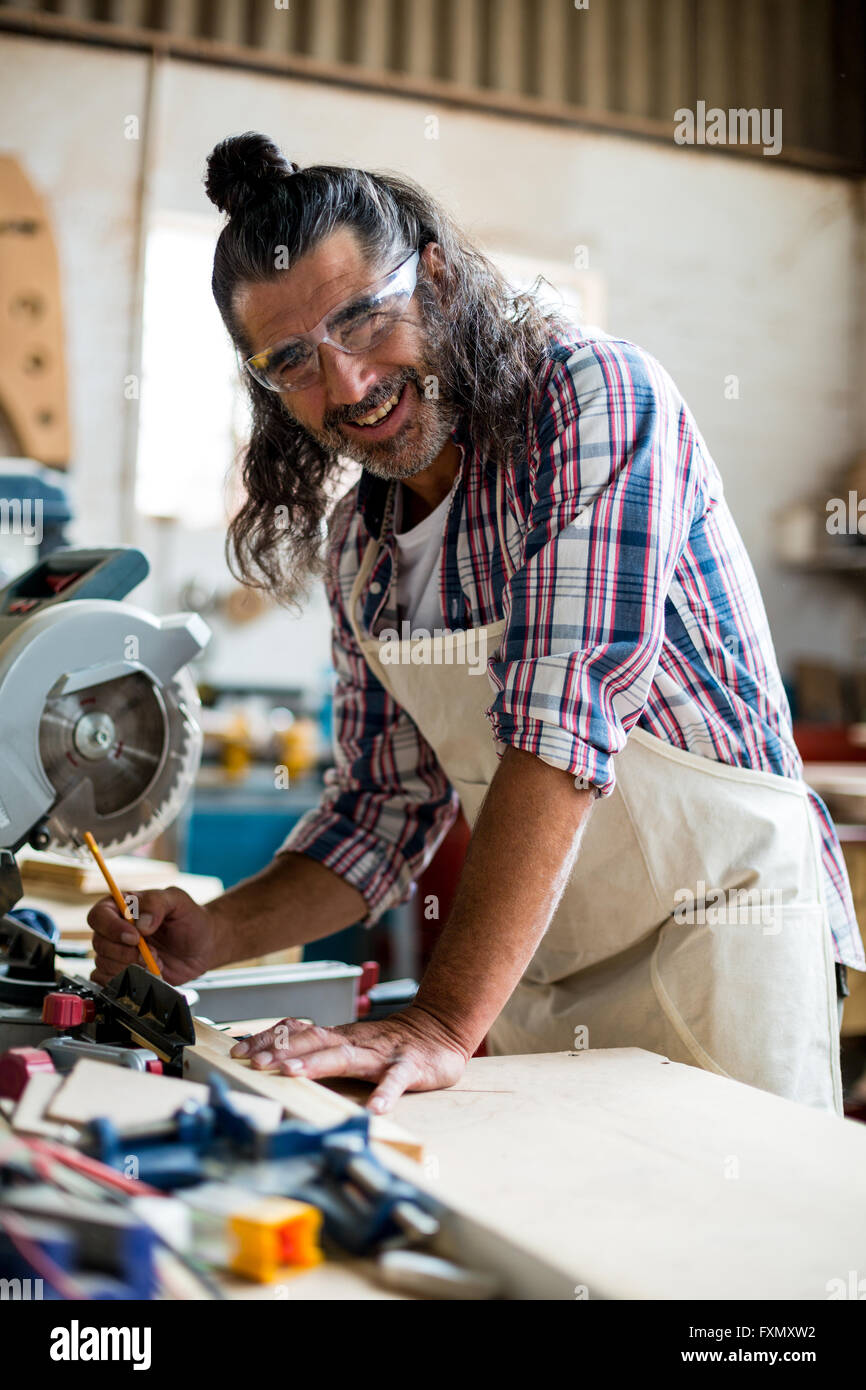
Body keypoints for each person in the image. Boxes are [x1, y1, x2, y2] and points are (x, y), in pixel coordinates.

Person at [90, 132, 862, 1115]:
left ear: (440, 279)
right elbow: (380, 811)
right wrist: (211, 932)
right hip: (539, 975)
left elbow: (559, 724)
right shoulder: (362, 545)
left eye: (365, 320)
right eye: (294, 363)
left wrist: (441, 1020)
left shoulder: (590, 404)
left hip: (725, 948)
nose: (349, 386)